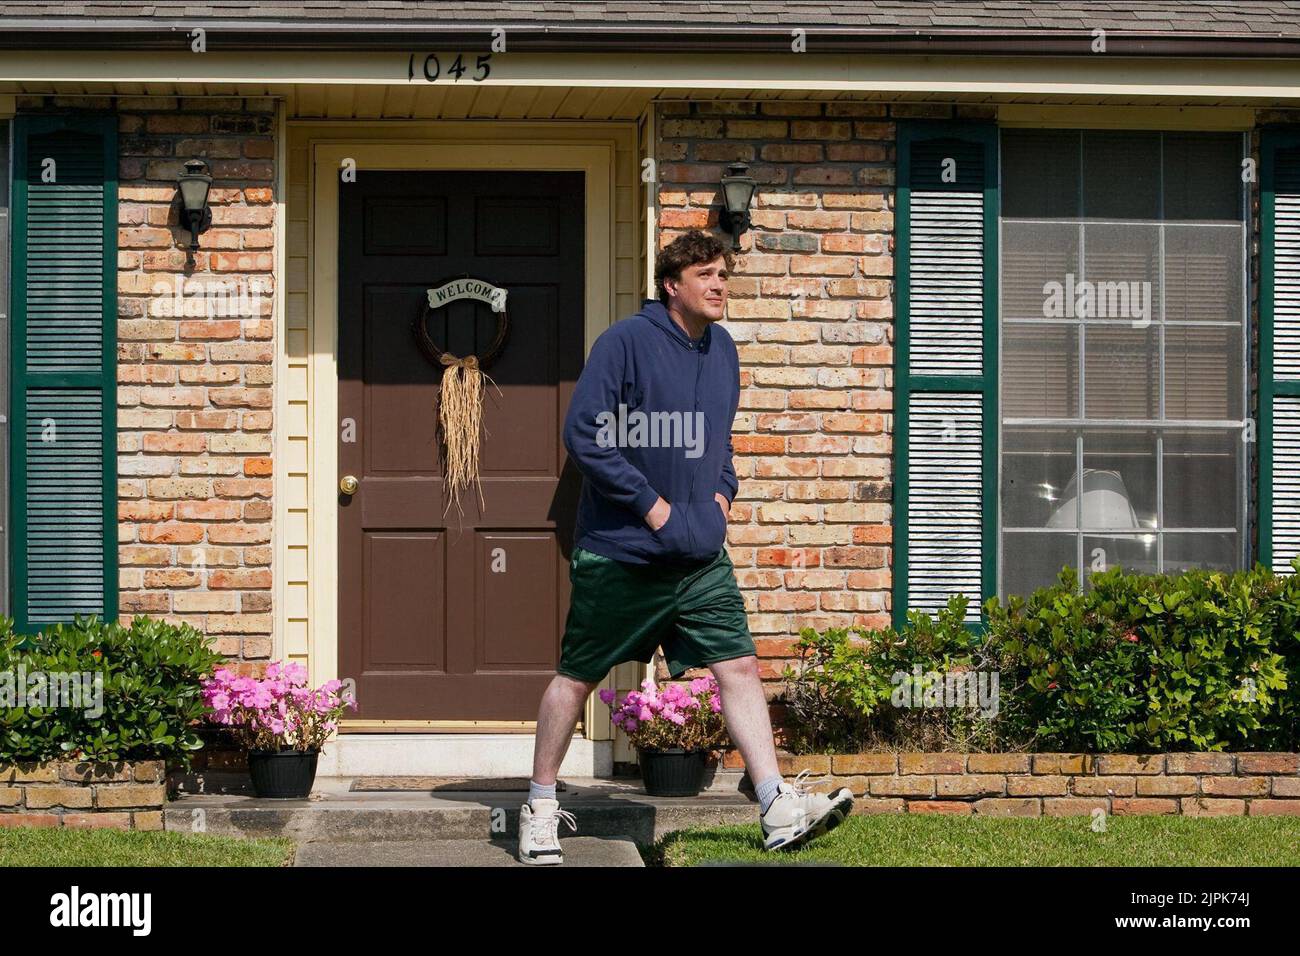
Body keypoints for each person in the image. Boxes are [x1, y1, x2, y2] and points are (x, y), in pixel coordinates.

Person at [517, 229, 853, 865]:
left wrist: (723, 494)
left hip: (699, 558)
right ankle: (537, 805)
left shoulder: (722, 349)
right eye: (707, 275)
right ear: (673, 285)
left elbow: (721, 438)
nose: (721, 284)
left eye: (724, 274)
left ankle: (776, 804)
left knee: (739, 667)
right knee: (577, 678)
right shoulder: (625, 343)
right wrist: (653, 506)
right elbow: (586, 435)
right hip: (622, 554)